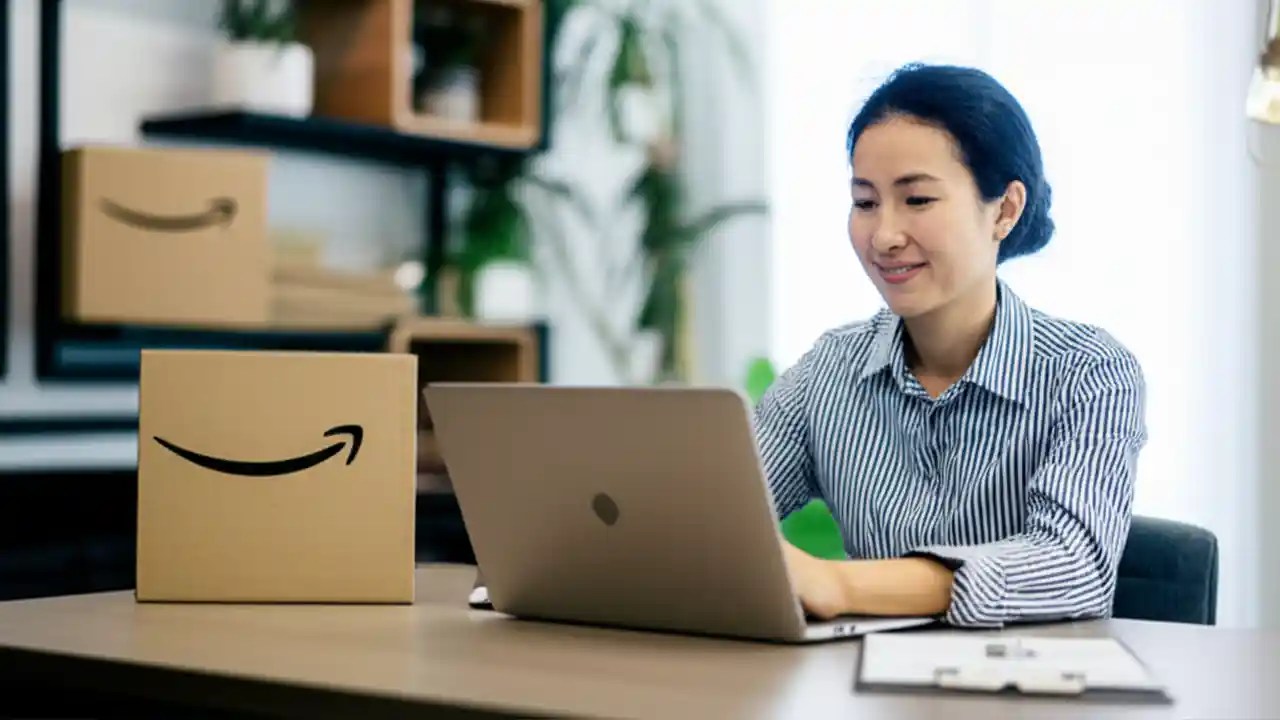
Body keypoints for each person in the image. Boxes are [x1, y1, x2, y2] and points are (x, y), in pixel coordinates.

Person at [757, 63, 1148, 628]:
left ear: (1005, 210)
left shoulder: (1089, 372)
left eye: (916, 200)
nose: (884, 236)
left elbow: (1072, 565)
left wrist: (838, 582)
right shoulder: (828, 372)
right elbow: (719, 521)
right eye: (865, 202)